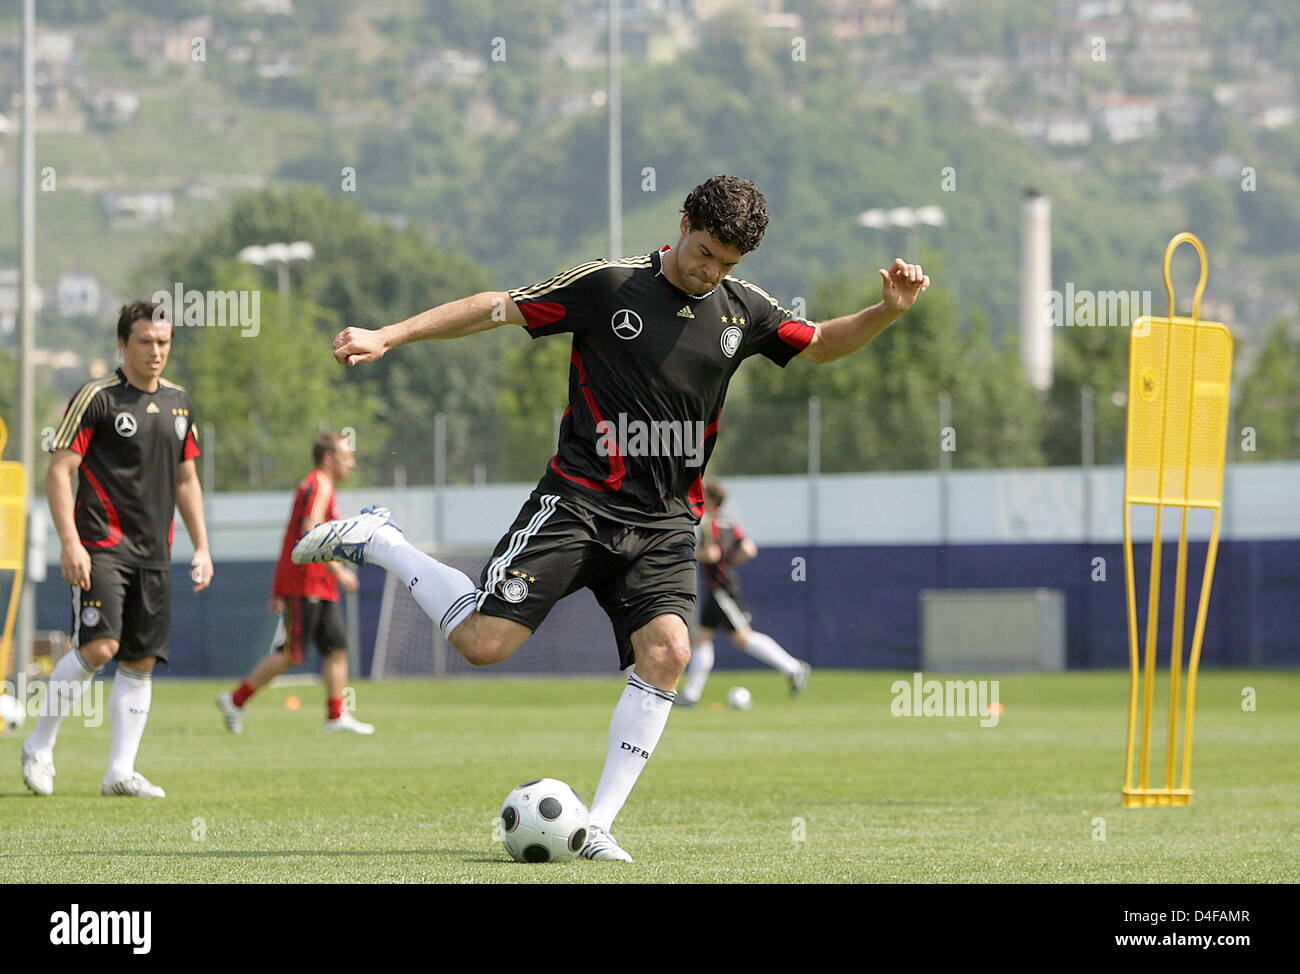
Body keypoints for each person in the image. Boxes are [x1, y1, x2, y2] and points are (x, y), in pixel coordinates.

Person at [295, 175, 929, 860]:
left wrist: (887, 311)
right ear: (683, 222)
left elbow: (824, 343)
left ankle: (595, 823)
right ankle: (383, 541)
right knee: (482, 644)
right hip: (578, 503)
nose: (709, 271)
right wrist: (391, 335)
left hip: (662, 524)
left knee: (672, 652)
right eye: (705, 252)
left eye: (726, 263)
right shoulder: (608, 285)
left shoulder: (744, 311)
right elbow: (497, 308)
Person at [23, 301, 212, 798]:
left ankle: (119, 773)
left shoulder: (179, 403)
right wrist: (70, 542)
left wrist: (203, 547)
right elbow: (58, 471)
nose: (156, 351)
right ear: (123, 344)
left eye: (164, 342)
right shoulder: (96, 398)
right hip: (101, 546)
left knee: (141, 659)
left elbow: (187, 479)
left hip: (154, 552)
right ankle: (39, 747)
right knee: (99, 646)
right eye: (146, 342)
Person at [216, 432, 373, 735]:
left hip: (317, 583)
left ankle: (336, 717)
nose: (351, 463)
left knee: (337, 649)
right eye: (346, 455)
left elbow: (289, 535)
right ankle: (235, 700)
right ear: (329, 458)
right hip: (306, 583)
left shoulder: (320, 485)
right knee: (291, 653)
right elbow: (308, 530)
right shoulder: (318, 483)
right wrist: (339, 570)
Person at [678, 482, 810, 706]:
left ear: (709, 500)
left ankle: (794, 668)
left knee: (742, 638)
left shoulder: (709, 523)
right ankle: (690, 695)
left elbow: (711, 554)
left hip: (722, 589)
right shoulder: (729, 522)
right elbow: (749, 549)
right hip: (718, 587)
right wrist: (729, 563)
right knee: (701, 638)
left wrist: (689, 553)